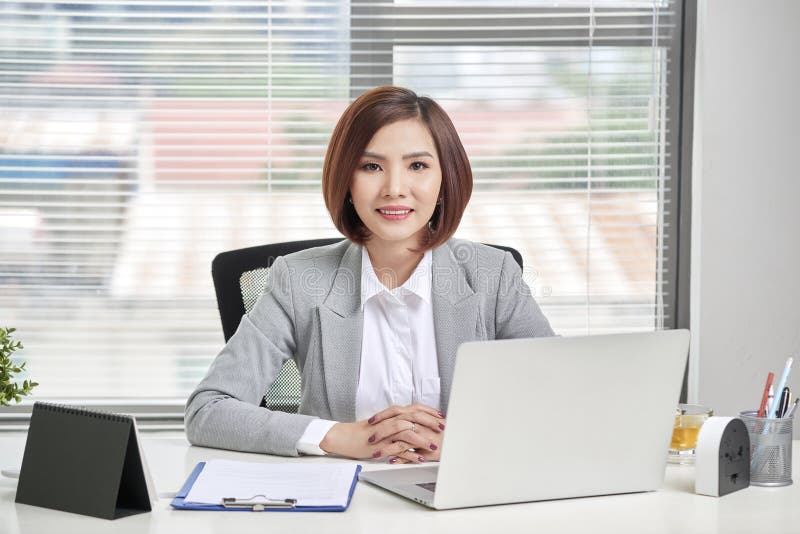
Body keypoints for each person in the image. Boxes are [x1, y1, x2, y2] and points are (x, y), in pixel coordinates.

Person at [185, 86, 554, 464]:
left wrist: (467, 441)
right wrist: (335, 435)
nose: (394, 189)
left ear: (445, 179)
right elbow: (208, 410)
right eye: (371, 166)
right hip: (343, 499)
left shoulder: (493, 276)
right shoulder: (297, 280)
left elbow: (559, 401)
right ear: (346, 179)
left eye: (418, 166)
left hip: (461, 500)